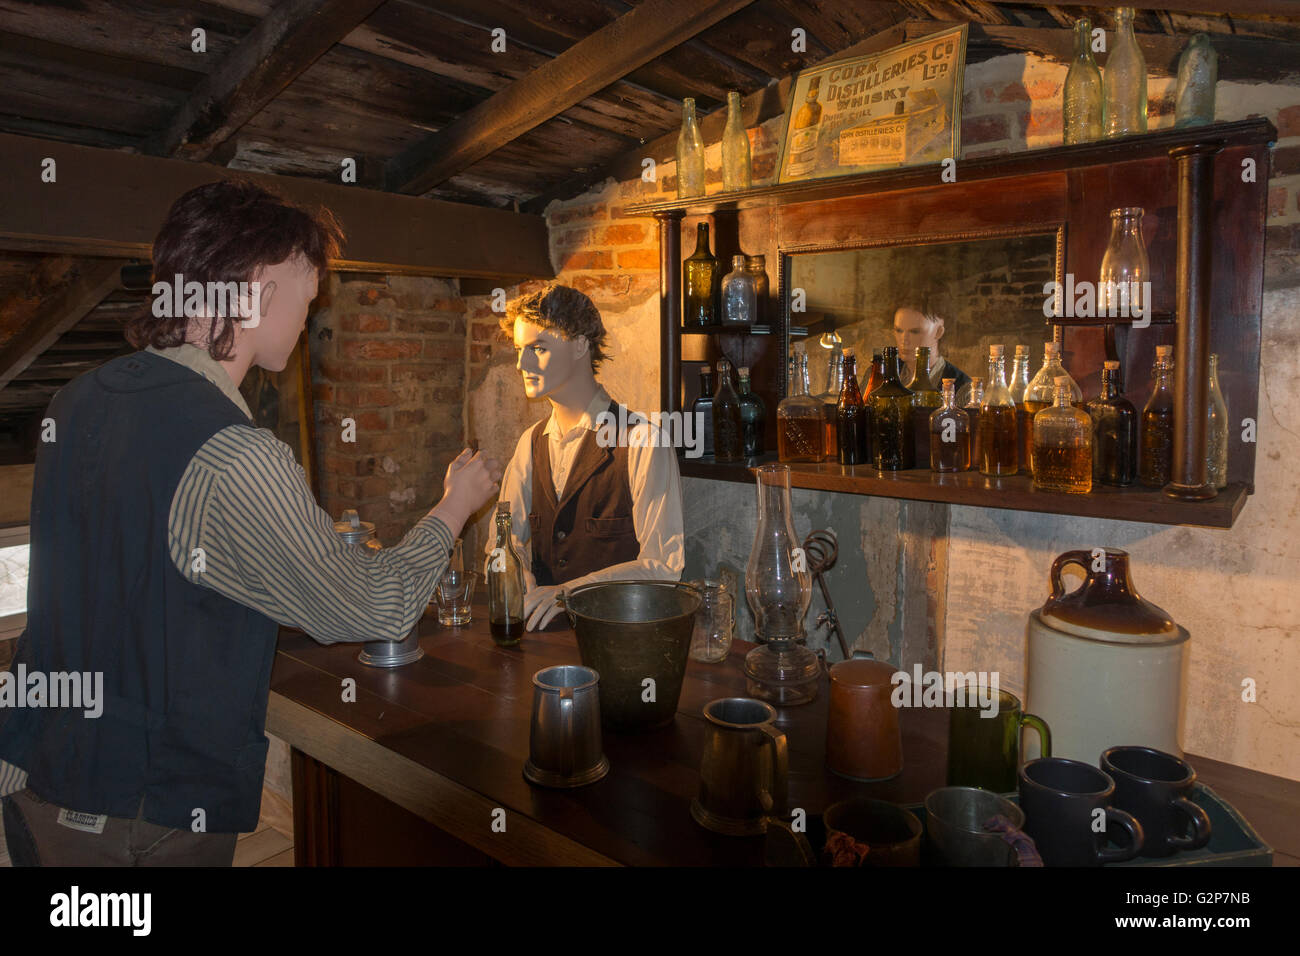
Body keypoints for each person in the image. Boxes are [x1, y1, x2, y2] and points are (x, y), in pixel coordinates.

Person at [0, 180, 502, 866]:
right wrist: (455, 505)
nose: (310, 312)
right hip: (142, 815)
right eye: (308, 289)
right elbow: (373, 605)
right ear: (260, 284)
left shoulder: (78, 397)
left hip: (35, 774)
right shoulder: (234, 450)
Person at [494, 285, 685, 631]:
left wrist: (568, 592)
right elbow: (504, 541)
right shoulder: (530, 443)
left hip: (619, 641)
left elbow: (663, 567)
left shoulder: (643, 442)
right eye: (520, 350)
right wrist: (516, 570)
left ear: (580, 345)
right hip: (540, 640)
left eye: (538, 348)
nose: (522, 364)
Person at [892, 290, 971, 393]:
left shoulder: (963, 388)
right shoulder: (880, 374)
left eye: (915, 332)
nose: (904, 340)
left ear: (938, 332)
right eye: (899, 330)